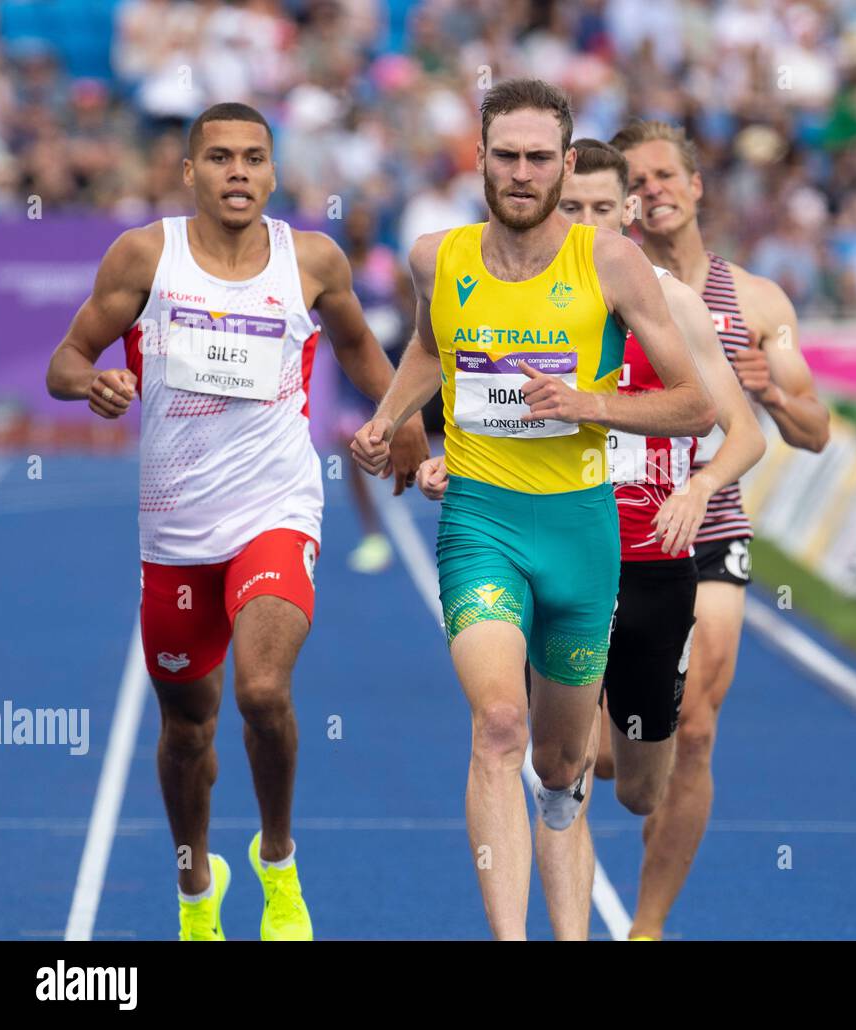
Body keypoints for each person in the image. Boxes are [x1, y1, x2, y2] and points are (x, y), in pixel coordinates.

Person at [45, 102, 428, 941]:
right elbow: (64, 359)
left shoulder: (311, 260)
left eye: (255, 157)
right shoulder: (147, 255)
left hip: (277, 509)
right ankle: (195, 890)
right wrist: (92, 384)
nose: (238, 173)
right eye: (219, 157)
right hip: (176, 531)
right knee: (187, 726)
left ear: (274, 171)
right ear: (190, 172)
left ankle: (279, 863)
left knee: (261, 691)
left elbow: (364, 349)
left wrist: (404, 427)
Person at [351, 80, 716, 940]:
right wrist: (388, 418)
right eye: (506, 155)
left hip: (582, 534)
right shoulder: (437, 256)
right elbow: (434, 347)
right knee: (499, 723)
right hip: (482, 521)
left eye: (538, 158)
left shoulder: (612, 263)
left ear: (564, 162)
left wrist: (586, 403)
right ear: (478, 158)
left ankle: (559, 818)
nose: (521, 173)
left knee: (561, 765)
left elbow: (695, 403)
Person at [413, 138, 767, 939]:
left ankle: (591, 762)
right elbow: (478, 401)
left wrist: (702, 487)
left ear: (628, 213)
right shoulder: (519, 291)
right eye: (573, 207)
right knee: (522, 739)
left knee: (636, 784)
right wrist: (450, 467)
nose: (584, 221)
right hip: (545, 537)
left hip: (648, 565)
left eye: (603, 209)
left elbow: (738, 429)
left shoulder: (667, 303)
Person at [610, 120, 830, 940]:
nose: (653, 189)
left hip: (712, 528)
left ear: (697, 187)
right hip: (611, 528)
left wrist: (772, 390)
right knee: (606, 759)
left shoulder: (758, 301)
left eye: (667, 174)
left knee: (697, 727)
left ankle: (647, 925)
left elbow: (816, 431)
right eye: (635, 179)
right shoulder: (597, 290)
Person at [332, 204, 415, 573]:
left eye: (365, 223)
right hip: (350, 379)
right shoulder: (340, 269)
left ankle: (406, 509)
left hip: (389, 371)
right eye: (353, 224)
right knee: (350, 448)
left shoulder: (388, 265)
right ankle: (371, 532)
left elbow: (412, 311)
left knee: (395, 441)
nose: (359, 230)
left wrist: (396, 329)